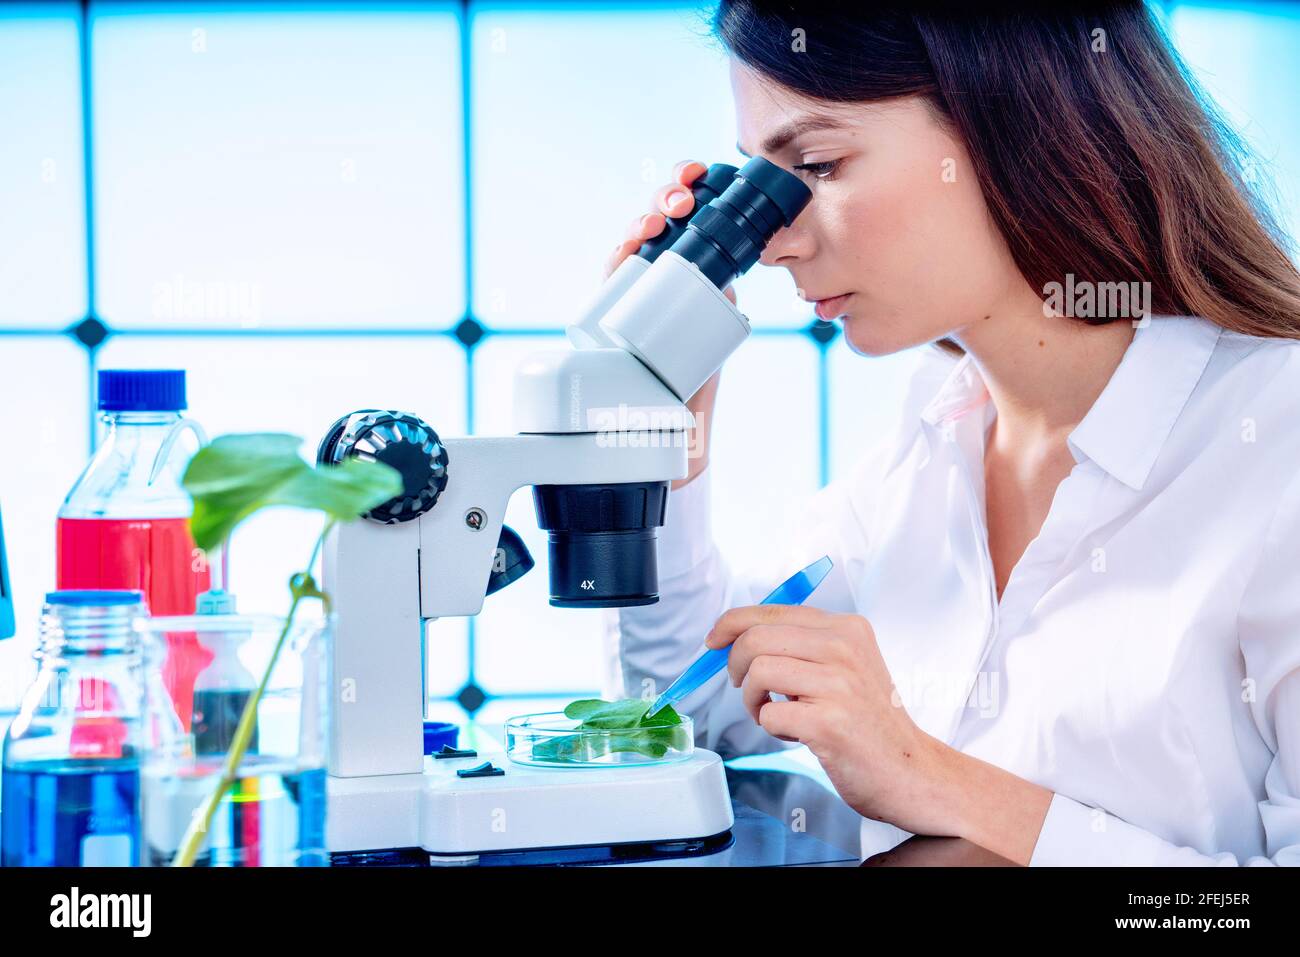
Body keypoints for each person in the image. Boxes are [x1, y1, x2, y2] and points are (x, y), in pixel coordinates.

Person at [600, 1, 1300, 866]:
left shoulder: (1273, 442)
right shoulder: (934, 434)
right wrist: (665, 439)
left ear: (1016, 122)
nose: (774, 243)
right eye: (759, 181)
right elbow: (683, 707)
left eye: (815, 165)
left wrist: (933, 777)